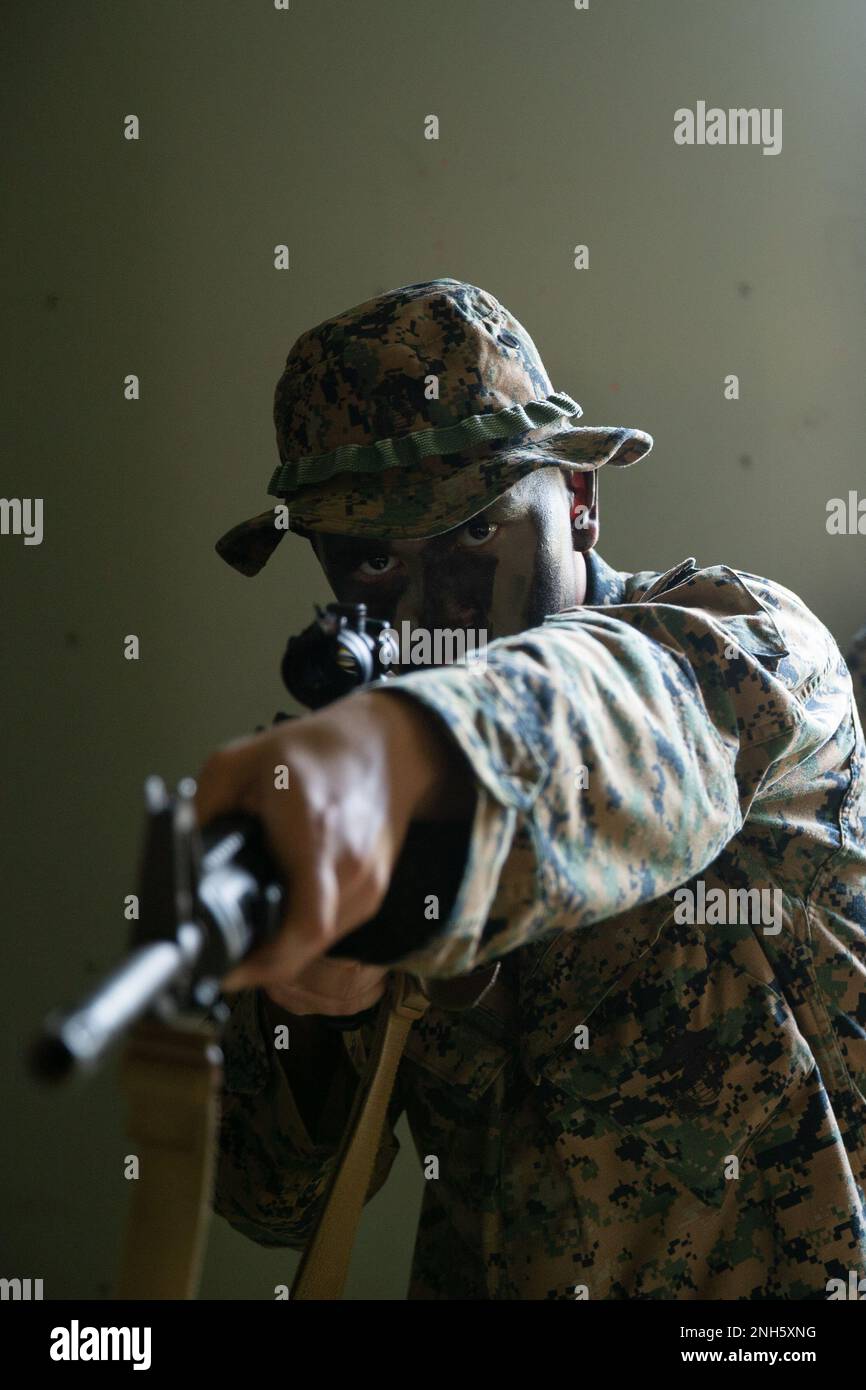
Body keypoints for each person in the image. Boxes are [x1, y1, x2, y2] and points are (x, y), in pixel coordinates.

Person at [196, 278, 866, 1300]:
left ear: (580, 502)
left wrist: (409, 762)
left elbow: (620, 714)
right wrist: (314, 1012)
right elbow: (266, 1200)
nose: (430, 610)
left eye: (473, 533)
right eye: (370, 559)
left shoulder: (742, 646)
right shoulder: (346, 793)